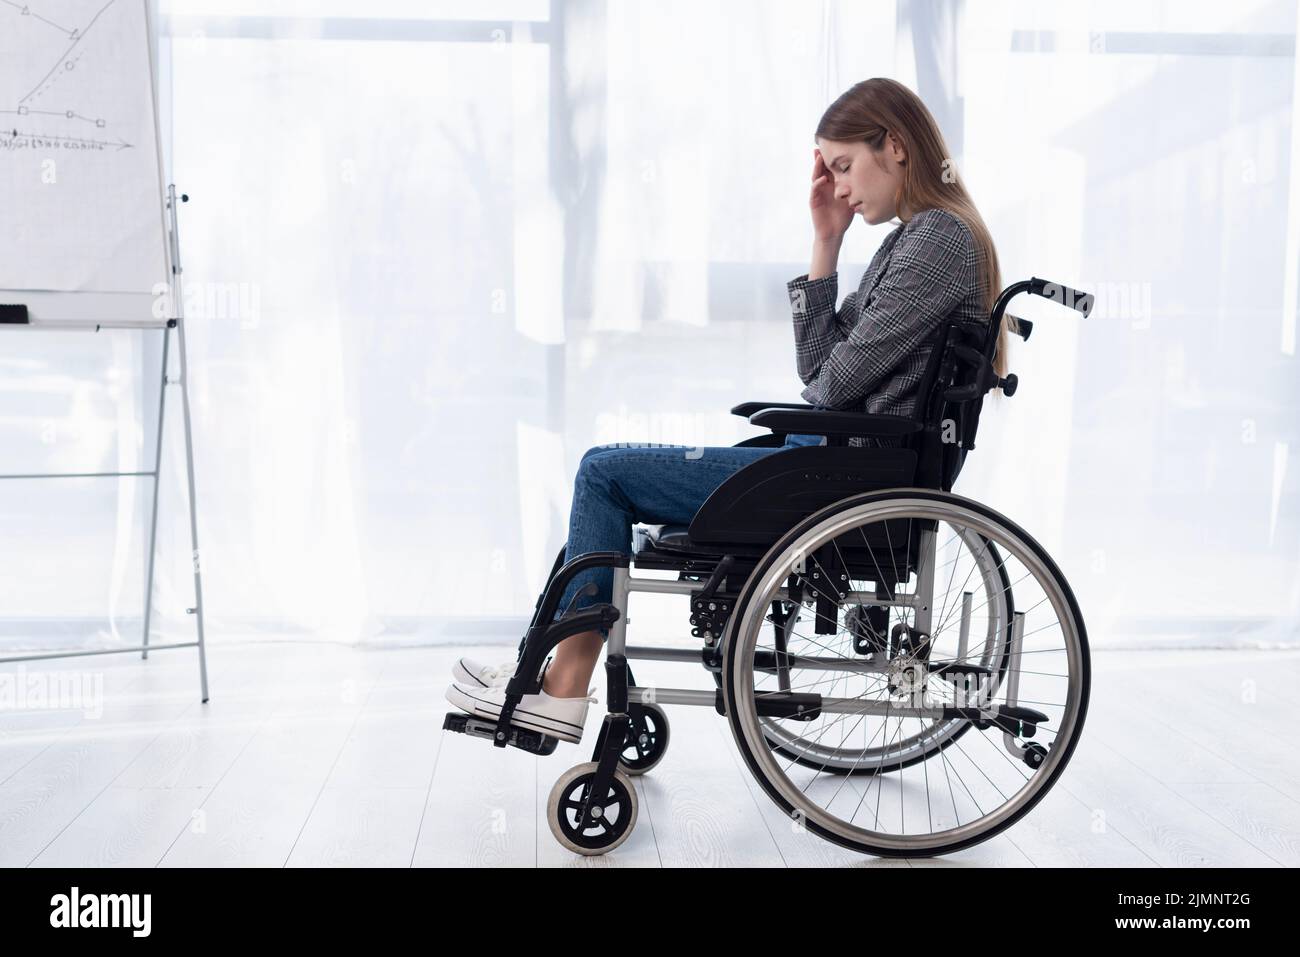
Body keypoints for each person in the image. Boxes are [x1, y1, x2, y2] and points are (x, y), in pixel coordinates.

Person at [444, 77, 1010, 744]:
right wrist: (825, 242)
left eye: (844, 166)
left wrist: (826, 383)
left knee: (604, 472)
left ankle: (563, 687)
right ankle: (550, 675)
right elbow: (821, 370)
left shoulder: (937, 238)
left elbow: (830, 385)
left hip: (837, 479)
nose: (841, 187)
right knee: (605, 478)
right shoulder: (914, 239)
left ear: (894, 146)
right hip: (831, 467)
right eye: (830, 171)